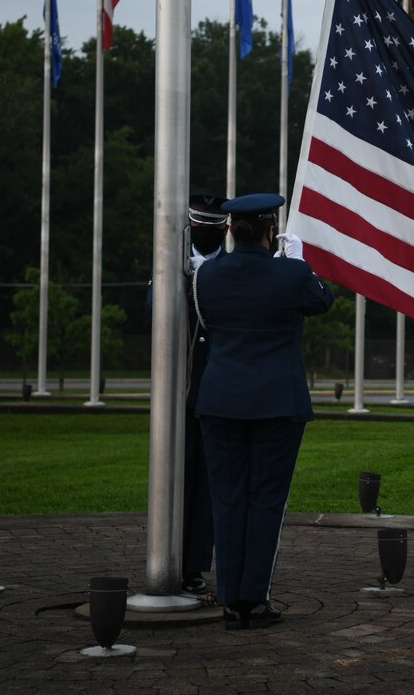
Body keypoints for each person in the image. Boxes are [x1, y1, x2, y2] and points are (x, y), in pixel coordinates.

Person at [193, 193, 334, 629]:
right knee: (266, 502)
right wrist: (300, 263)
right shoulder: (292, 274)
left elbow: (207, 322)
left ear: (231, 231)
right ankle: (254, 598)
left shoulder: (207, 275)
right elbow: (322, 301)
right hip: (277, 402)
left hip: (221, 400)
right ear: (271, 231)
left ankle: (230, 600)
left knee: (227, 501)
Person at [179, 194, 227, 594]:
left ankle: (194, 566)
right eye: (202, 226)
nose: (209, 233)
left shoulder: (232, 269)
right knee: (176, 481)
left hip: (219, 391)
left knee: (208, 486)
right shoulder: (172, 264)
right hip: (180, 392)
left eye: (216, 227)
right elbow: (154, 311)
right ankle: (170, 558)